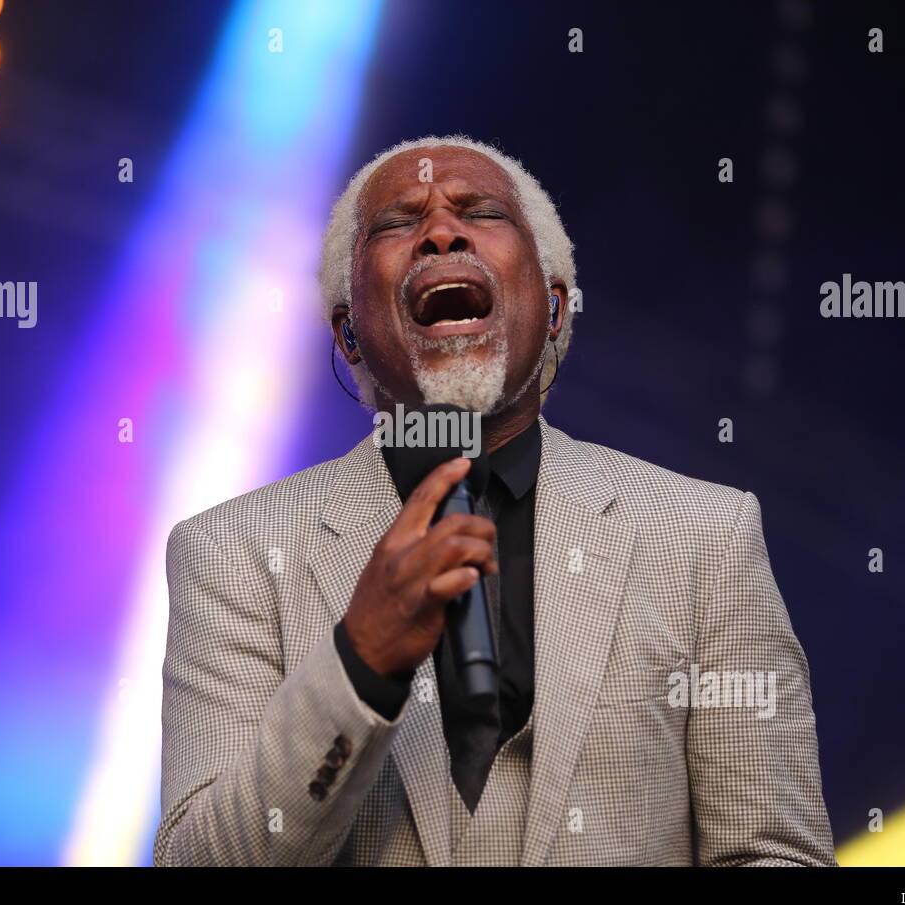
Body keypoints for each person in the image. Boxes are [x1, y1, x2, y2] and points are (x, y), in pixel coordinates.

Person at [155, 134, 835, 866]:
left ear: (554, 308)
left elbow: (776, 855)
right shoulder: (232, 551)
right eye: (396, 222)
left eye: (480, 212)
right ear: (349, 332)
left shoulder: (706, 536)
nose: (441, 231)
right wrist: (361, 664)